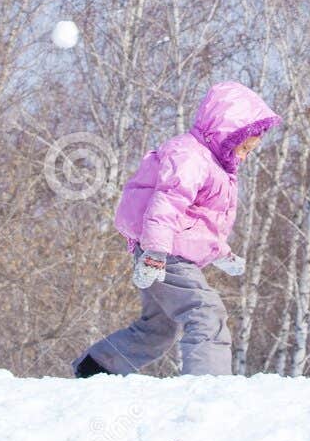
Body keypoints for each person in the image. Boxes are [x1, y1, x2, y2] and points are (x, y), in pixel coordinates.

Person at [75, 81, 281, 377]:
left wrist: (223, 254)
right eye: (244, 147)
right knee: (206, 312)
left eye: (251, 151)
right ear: (226, 132)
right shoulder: (191, 156)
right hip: (165, 255)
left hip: (164, 251)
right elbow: (166, 204)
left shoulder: (212, 164)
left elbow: (198, 225)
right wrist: (156, 252)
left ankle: (96, 367)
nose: (245, 156)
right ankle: (207, 386)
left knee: (159, 329)